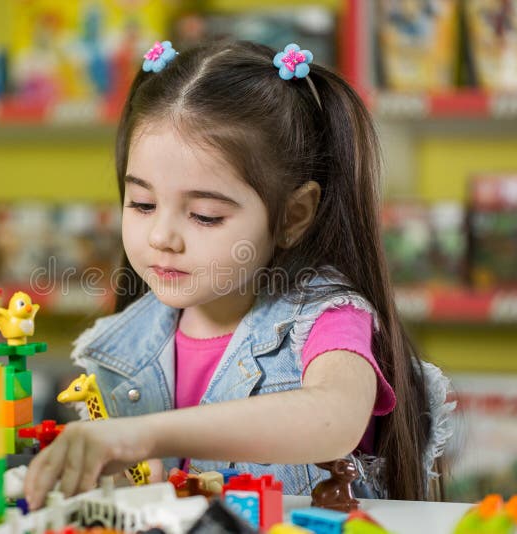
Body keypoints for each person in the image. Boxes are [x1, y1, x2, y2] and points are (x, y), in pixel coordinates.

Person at [24, 40, 454, 508]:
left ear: (293, 215)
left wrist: (141, 436)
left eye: (205, 215)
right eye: (143, 204)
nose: (162, 237)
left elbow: (334, 418)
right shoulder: (127, 340)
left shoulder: (327, 317)